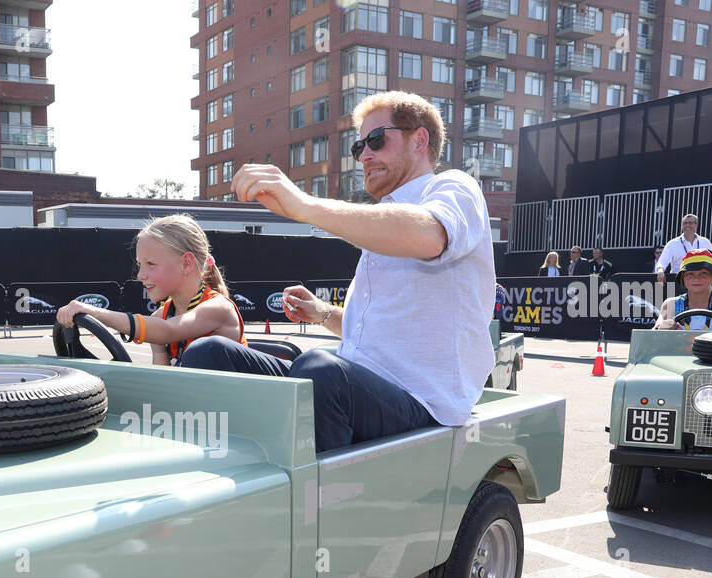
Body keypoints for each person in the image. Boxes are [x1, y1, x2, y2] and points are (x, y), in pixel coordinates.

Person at [178, 90, 495, 454]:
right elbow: (377, 331)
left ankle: (314, 504)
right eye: (359, 147)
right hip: (358, 387)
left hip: (422, 401)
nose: (366, 155)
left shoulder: (454, 187)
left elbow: (430, 234)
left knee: (321, 371)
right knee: (208, 353)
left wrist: (306, 205)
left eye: (377, 140)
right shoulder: (385, 222)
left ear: (419, 139)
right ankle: (221, 479)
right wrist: (322, 313)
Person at [55, 214, 246, 365]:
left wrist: (93, 312)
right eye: (140, 265)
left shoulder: (218, 307)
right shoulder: (161, 318)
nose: (140, 275)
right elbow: (164, 385)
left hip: (234, 410)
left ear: (186, 263)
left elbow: (168, 331)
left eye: (151, 264)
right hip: (198, 411)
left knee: (203, 349)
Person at [652, 249, 712, 330]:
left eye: (703, 273)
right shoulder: (670, 304)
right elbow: (652, 336)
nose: (696, 279)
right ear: (683, 277)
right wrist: (660, 330)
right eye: (690, 273)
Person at [656, 213, 712, 282]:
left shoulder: (705, 242)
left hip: (700, 281)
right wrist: (660, 271)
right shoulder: (672, 244)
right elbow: (662, 262)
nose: (687, 225)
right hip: (679, 281)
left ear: (696, 225)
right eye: (685, 223)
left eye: (690, 223)